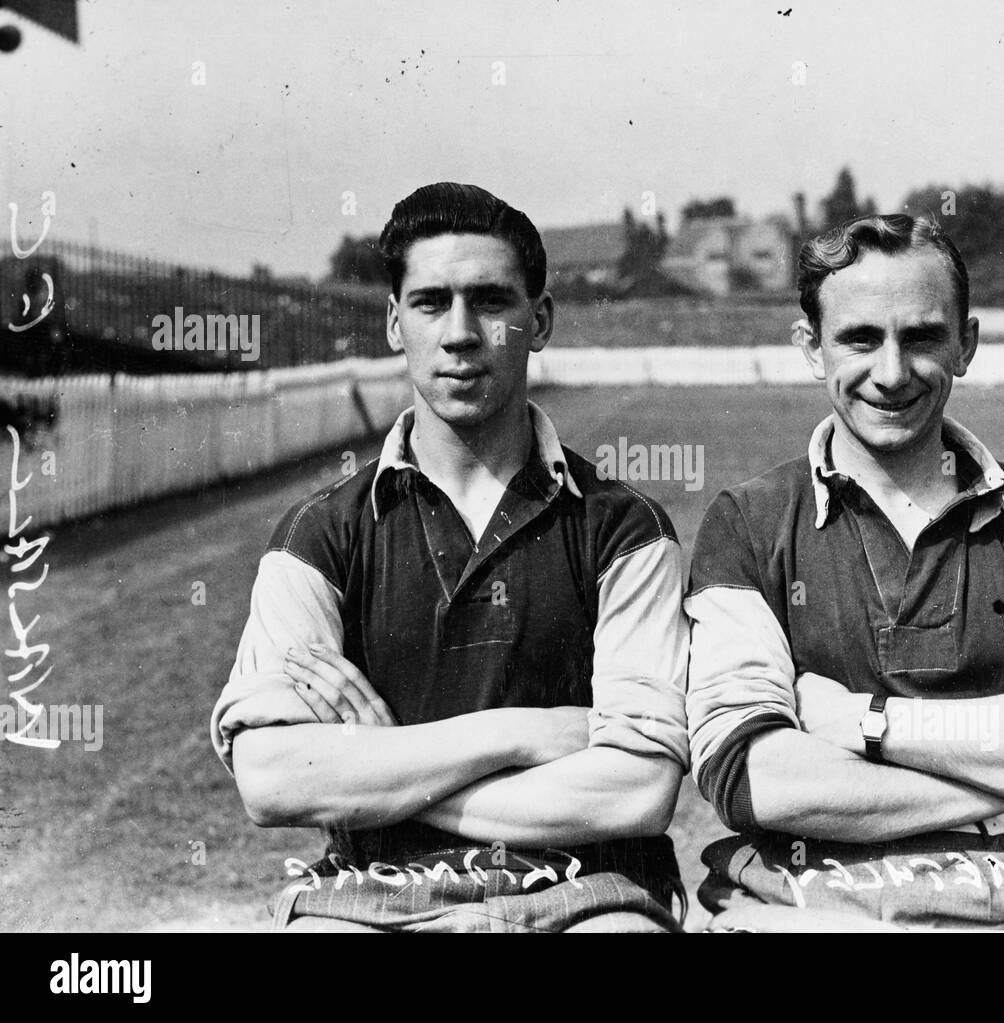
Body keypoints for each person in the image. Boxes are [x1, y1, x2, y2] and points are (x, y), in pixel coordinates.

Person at [211, 183, 689, 932]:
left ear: (540, 320)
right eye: (432, 302)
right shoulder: (320, 535)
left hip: (587, 888)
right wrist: (521, 733)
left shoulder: (625, 530)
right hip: (371, 891)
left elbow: (637, 790)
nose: (461, 332)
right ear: (395, 324)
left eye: (491, 300)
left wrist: (382, 763)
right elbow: (272, 780)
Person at [684, 213, 1004, 931]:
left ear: (966, 343)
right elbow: (755, 778)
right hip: (798, 914)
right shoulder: (748, 523)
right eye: (860, 338)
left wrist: (862, 721)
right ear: (811, 348)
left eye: (923, 336)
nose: (892, 372)